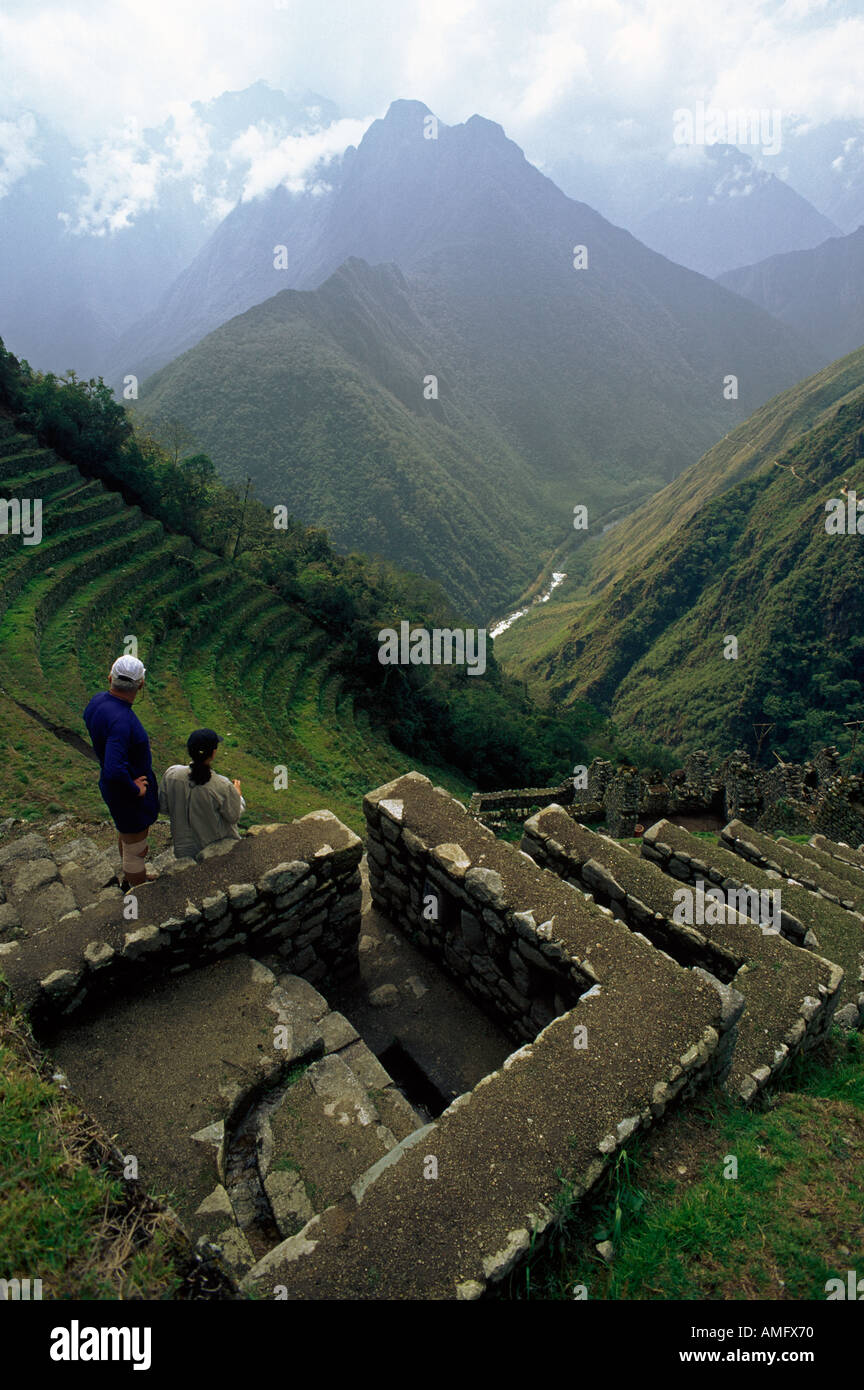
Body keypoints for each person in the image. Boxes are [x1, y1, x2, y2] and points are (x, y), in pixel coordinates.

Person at [83, 655, 159, 887]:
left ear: (110, 678)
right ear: (140, 684)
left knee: (128, 838)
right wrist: (134, 788)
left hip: (117, 789)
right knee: (135, 849)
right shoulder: (122, 721)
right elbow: (114, 769)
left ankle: (133, 876)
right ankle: (138, 893)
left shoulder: (97, 702)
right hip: (127, 793)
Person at [158, 729, 245, 860]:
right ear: (213, 753)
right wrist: (238, 796)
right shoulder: (222, 785)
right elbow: (233, 816)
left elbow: (164, 807)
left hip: (183, 852)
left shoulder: (172, 775)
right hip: (216, 852)